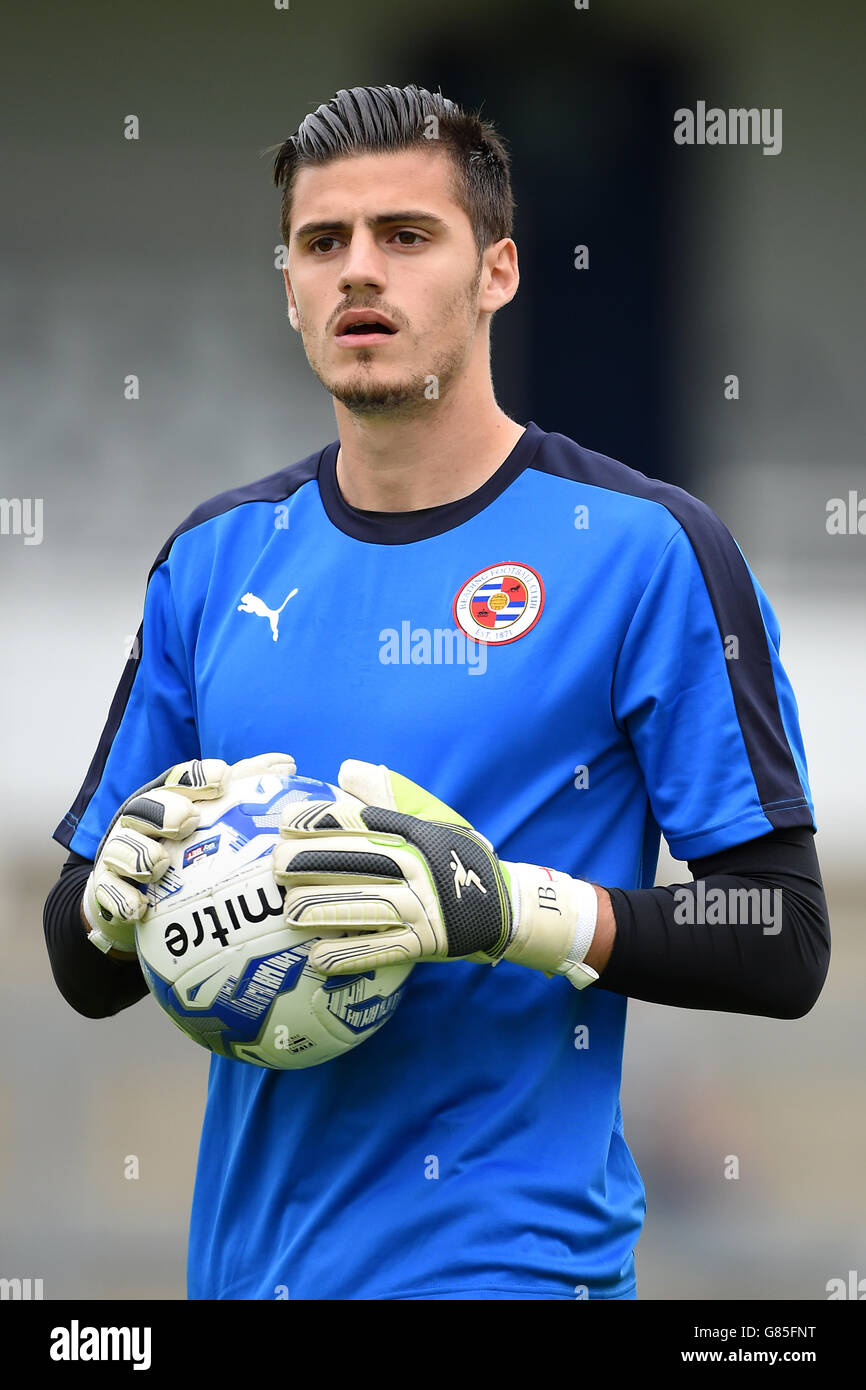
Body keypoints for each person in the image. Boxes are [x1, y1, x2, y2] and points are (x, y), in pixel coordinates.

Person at [43, 83, 830, 1301]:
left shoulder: (641, 549)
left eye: (406, 237)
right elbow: (79, 968)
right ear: (290, 285)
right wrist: (109, 896)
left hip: (506, 1273)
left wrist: (511, 912)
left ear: (497, 271)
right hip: (245, 1278)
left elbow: (781, 937)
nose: (361, 272)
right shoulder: (214, 560)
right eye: (324, 243)